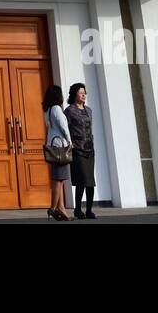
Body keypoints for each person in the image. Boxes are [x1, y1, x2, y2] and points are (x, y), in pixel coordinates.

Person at [64, 83, 96, 219]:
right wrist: (70, 143)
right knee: (82, 180)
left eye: (85, 92)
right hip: (78, 149)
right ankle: (78, 209)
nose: (84, 95)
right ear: (74, 94)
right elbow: (65, 129)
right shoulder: (69, 111)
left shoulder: (89, 110)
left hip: (90, 149)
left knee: (90, 181)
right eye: (81, 92)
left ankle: (89, 210)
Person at [42, 83, 72, 220]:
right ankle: (53, 208)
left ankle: (61, 208)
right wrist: (70, 142)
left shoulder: (47, 110)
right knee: (59, 180)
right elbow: (64, 127)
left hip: (53, 148)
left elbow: (50, 128)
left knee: (58, 179)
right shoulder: (56, 109)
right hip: (61, 147)